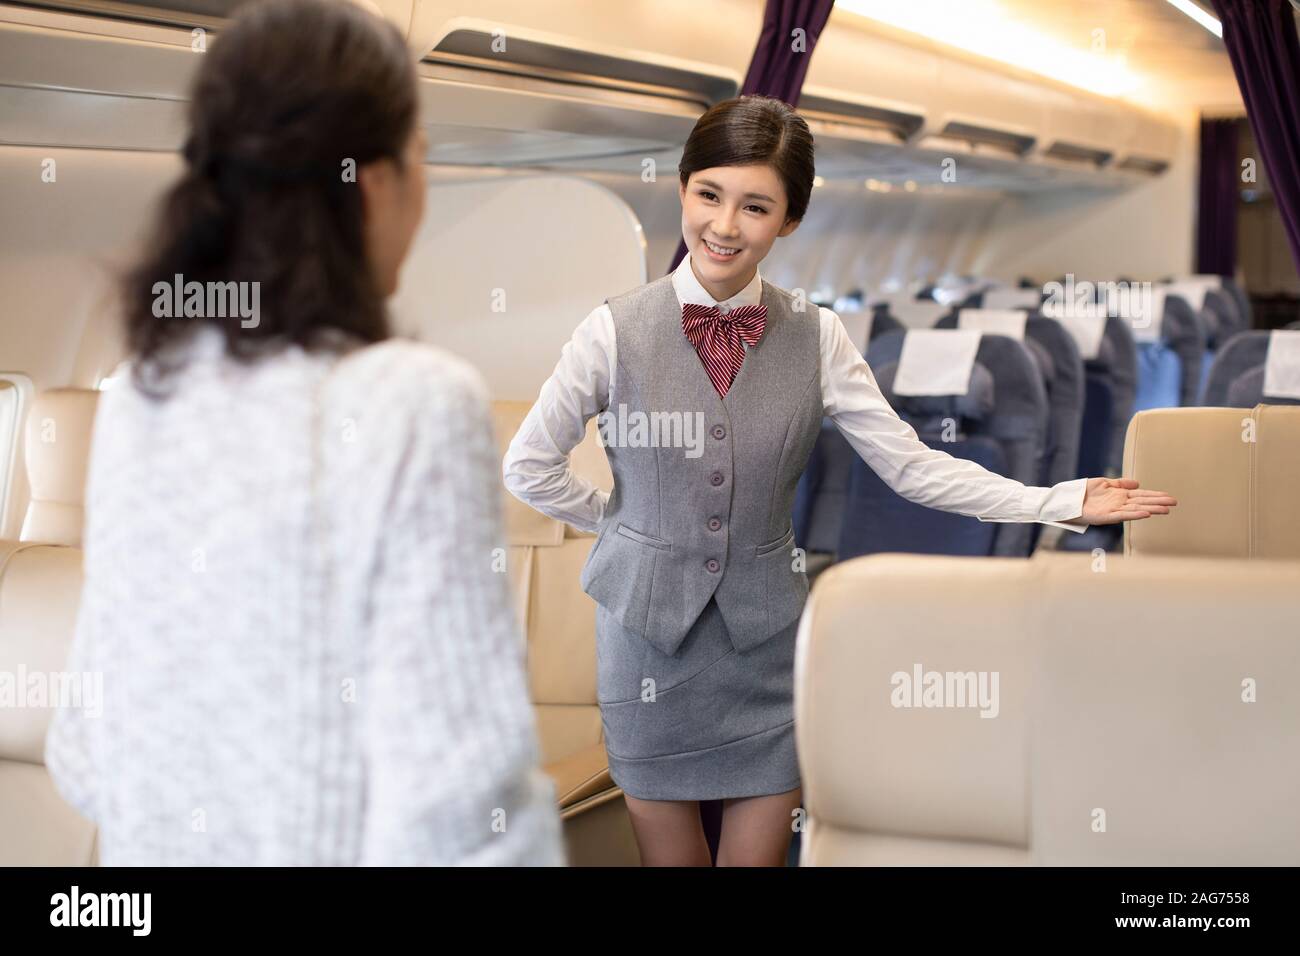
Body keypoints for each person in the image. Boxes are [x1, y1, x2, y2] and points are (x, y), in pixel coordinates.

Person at [502, 95, 1177, 867]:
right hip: (647, 646)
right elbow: (528, 466)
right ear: (681, 188)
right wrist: (628, 530)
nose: (725, 225)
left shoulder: (818, 335)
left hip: (768, 645)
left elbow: (911, 465)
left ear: (789, 221)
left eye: (755, 206)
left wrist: (1057, 499)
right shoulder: (612, 331)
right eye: (708, 195)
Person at [45, 0, 564, 866]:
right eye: (424, 158)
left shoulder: (141, 396)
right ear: (377, 183)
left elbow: (86, 752)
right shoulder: (415, 407)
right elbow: (461, 814)